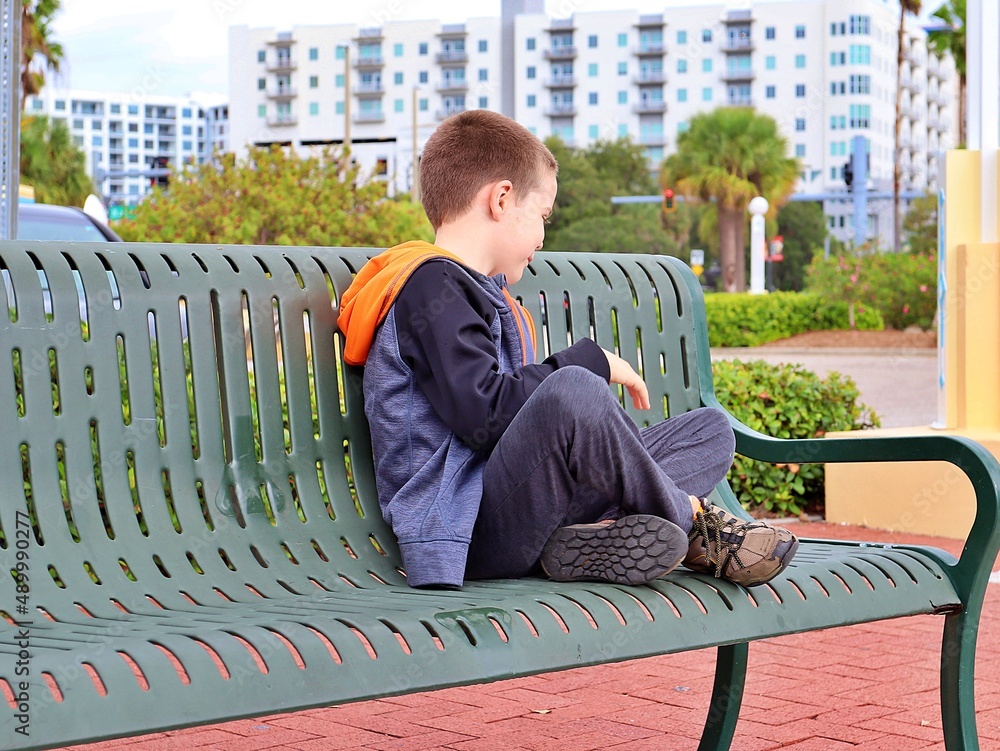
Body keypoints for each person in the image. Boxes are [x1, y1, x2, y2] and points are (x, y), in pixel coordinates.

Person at [337, 110, 798, 590]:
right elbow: (483, 415)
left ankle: (582, 542)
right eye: (543, 216)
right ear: (501, 200)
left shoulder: (472, 289)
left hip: (517, 508)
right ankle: (696, 523)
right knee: (576, 389)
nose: (543, 235)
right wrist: (589, 363)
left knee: (710, 433)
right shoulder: (430, 288)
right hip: (466, 527)